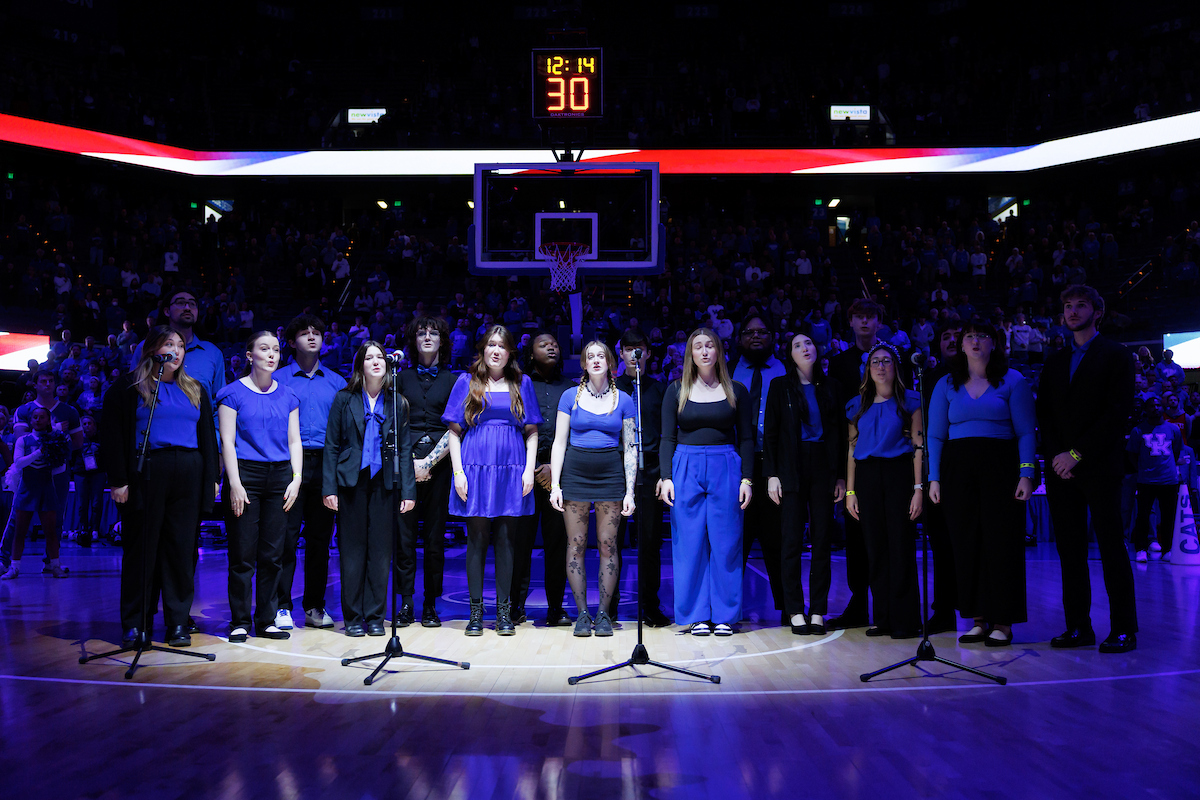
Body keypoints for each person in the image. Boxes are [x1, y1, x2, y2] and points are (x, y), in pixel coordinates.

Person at [100, 326, 219, 647]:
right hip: (147, 472)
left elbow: (208, 438)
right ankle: (136, 623)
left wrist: (212, 479)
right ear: (153, 350)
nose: (177, 351)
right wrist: (119, 480)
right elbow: (112, 437)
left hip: (189, 473)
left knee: (181, 550)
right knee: (142, 550)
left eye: (180, 345)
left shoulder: (195, 389)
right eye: (169, 344)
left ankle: (178, 622)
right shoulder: (128, 388)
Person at [1037, 284, 1138, 653]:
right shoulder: (1054, 361)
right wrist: (1057, 456)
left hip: (1100, 466)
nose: (1073, 311)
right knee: (1070, 552)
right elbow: (1044, 414)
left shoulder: (1116, 354)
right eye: (1068, 305)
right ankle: (1078, 626)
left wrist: (1076, 454)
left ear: (1098, 311)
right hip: (1061, 470)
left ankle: (1124, 629)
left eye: (1081, 305)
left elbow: (1117, 413)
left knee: (1111, 548)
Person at [927, 321, 1036, 647]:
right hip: (957, 471)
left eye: (982, 336)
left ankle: (1003, 621)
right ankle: (977, 619)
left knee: (1002, 544)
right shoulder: (946, 383)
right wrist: (934, 478)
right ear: (961, 345)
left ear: (994, 343)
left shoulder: (1013, 380)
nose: (975, 342)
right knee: (966, 544)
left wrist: (1026, 472)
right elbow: (935, 435)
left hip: (1001, 468)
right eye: (969, 336)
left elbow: (1026, 432)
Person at [444, 325, 541, 636]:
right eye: (491, 345)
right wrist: (458, 472)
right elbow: (454, 432)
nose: (496, 350)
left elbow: (532, 431)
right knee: (476, 540)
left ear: (510, 352)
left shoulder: (522, 383)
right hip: (475, 467)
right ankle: (475, 613)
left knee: (506, 541)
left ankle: (503, 613)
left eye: (502, 345)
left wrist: (528, 469)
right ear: (482, 350)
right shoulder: (466, 381)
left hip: (512, 468)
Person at [660, 328, 754, 637]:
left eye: (709, 345)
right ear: (690, 353)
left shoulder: (736, 390)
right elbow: (667, 437)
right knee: (688, 543)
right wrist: (666, 477)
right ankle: (696, 615)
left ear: (718, 351)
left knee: (727, 542)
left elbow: (747, 438)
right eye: (698, 346)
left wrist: (747, 478)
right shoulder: (676, 389)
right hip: (685, 464)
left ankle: (725, 614)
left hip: (725, 464)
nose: (704, 351)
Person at [322, 341, 416, 637]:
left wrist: (408, 491)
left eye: (380, 357)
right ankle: (352, 617)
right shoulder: (344, 398)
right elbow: (332, 445)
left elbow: (404, 449)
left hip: (385, 482)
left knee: (380, 552)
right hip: (351, 481)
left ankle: (375, 616)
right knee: (352, 551)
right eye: (369, 357)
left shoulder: (397, 402)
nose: (376, 361)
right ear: (360, 365)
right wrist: (329, 487)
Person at [825, 298, 909, 630]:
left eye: (870, 316)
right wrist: (842, 477)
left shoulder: (893, 357)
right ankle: (859, 604)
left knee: (893, 540)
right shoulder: (839, 363)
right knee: (858, 540)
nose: (864, 321)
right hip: (857, 460)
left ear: (879, 322)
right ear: (850, 322)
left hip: (892, 460)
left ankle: (894, 610)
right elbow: (839, 422)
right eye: (858, 316)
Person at [216, 331, 303, 642]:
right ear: (249, 355)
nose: (271, 355)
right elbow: (227, 441)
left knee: (273, 554)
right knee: (242, 553)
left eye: (276, 350)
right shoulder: (231, 393)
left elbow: (294, 441)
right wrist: (234, 483)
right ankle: (240, 620)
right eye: (264, 349)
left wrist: (296, 478)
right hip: (246, 475)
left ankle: (266, 619)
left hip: (280, 476)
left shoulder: (289, 395)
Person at [549, 342, 637, 637]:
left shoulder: (624, 399)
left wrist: (630, 491)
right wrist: (555, 485)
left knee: (608, 545)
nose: (596, 360)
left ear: (611, 362)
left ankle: (603, 614)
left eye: (601, 355)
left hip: (611, 476)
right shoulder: (568, 396)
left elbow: (631, 449)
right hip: (575, 475)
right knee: (575, 544)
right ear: (584, 364)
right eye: (590, 356)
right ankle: (582, 614)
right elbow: (559, 442)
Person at [764, 332, 846, 636]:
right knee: (791, 541)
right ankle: (795, 609)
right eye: (797, 345)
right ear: (790, 354)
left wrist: (841, 476)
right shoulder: (780, 386)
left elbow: (840, 434)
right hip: (791, 467)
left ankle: (818, 610)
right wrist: (772, 474)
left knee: (822, 540)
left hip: (824, 466)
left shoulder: (832, 386)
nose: (804, 348)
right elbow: (771, 433)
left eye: (808, 343)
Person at [844, 342, 923, 639]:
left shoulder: (910, 401)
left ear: (895, 366)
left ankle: (905, 619)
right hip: (866, 477)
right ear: (867, 369)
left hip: (898, 474)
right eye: (875, 361)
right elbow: (851, 450)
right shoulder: (856, 405)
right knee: (875, 548)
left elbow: (918, 447)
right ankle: (883, 618)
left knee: (900, 545)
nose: (880, 366)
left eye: (886, 361)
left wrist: (918, 489)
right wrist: (850, 491)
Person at [275, 314, 346, 630]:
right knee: (285, 539)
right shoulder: (278, 379)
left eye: (317, 332)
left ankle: (315, 606)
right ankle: (281, 607)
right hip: (290, 464)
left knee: (320, 541)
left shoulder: (337, 382)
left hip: (325, 465)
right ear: (291, 342)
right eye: (305, 333)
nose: (313, 337)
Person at [395, 317, 456, 627]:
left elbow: (456, 427)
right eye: (421, 333)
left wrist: (428, 463)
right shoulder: (400, 377)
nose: (428, 337)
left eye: (434, 333)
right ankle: (406, 602)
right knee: (403, 539)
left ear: (443, 341)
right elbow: (393, 424)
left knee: (435, 539)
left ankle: (430, 603)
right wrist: (411, 465)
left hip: (440, 466)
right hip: (405, 466)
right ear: (414, 340)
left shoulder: (454, 380)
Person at [730, 315, 788, 625]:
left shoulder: (786, 370)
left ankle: (788, 607)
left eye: (762, 331)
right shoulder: (727, 370)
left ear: (772, 336)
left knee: (777, 539)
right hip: (736, 464)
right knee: (734, 540)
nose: (755, 336)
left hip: (774, 463)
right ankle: (728, 608)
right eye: (749, 332)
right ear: (739, 338)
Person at [515, 330, 573, 626]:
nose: (551, 347)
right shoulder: (519, 384)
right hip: (524, 475)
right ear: (530, 352)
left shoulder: (571, 388)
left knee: (557, 545)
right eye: (543, 344)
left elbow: (574, 434)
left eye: (554, 344)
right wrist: (536, 466)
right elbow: (514, 429)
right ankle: (515, 606)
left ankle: (556, 608)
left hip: (558, 477)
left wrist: (553, 468)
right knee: (519, 543)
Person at [614, 330, 672, 627]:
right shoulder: (612, 388)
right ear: (621, 353)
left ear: (648, 353)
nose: (634, 354)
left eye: (639, 348)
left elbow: (667, 435)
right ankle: (609, 606)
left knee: (650, 542)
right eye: (628, 349)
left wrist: (663, 474)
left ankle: (650, 605)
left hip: (650, 471)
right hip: (616, 470)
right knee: (612, 541)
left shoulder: (659, 389)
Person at [918, 321, 963, 633]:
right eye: (945, 336)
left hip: (967, 467)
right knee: (941, 545)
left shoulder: (981, 374)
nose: (951, 340)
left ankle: (979, 611)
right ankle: (944, 610)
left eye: (957, 336)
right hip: (937, 470)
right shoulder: (931, 378)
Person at [0, 407, 70, 579]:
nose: (38, 420)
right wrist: (40, 452)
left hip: (46, 488)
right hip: (26, 489)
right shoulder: (23, 440)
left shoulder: (56, 439)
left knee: (51, 531)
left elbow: (61, 466)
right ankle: (14, 567)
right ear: (30, 421)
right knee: (20, 531)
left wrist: (46, 471)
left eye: (42, 417)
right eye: (35, 417)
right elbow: (18, 463)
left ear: (48, 420)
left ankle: (55, 566)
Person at [1127, 396, 1182, 564]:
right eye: (1151, 406)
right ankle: (1141, 549)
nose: (1155, 408)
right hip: (1146, 480)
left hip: (1169, 480)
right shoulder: (1138, 430)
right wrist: (1142, 470)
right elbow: (1132, 454)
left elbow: (1176, 451)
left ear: (1162, 408)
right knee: (1143, 516)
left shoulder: (1173, 429)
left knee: (1168, 517)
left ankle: (1167, 549)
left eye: (1158, 405)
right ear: (1146, 409)